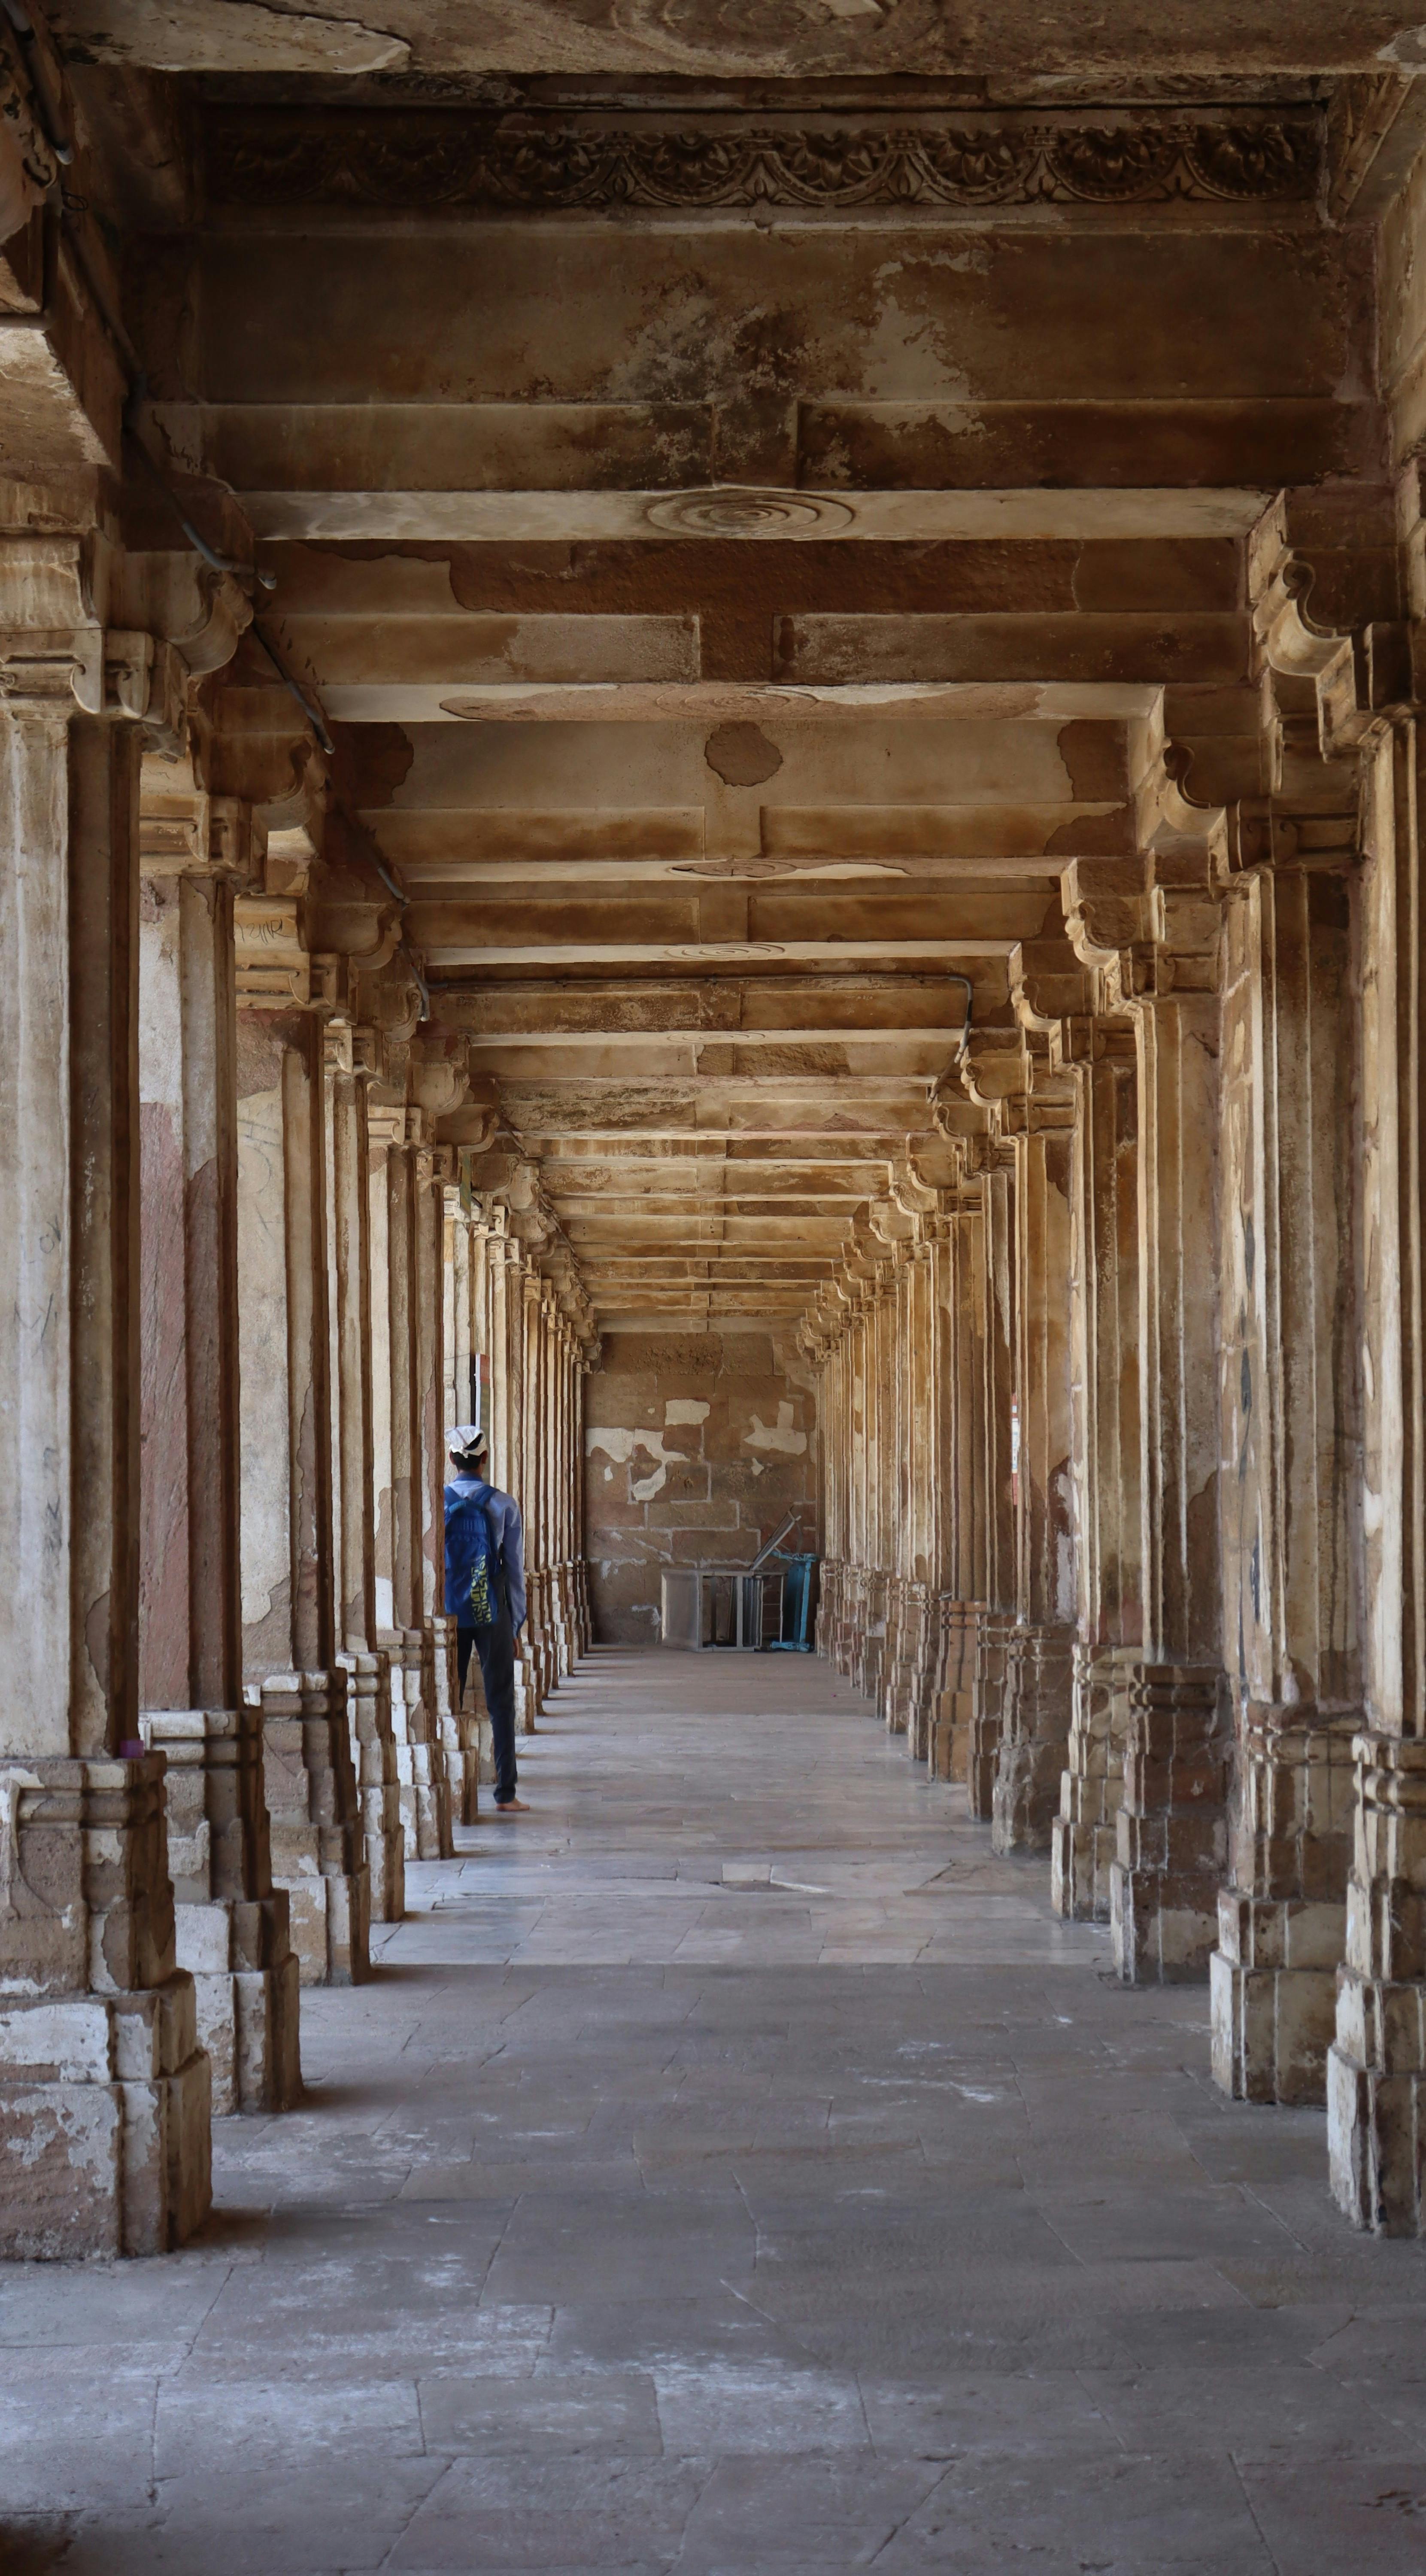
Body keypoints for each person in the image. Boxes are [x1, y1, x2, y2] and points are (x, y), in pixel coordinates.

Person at [444, 1424, 529, 1814]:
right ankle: (506, 1794)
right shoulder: (504, 1504)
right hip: (491, 1611)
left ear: (451, 1460)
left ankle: (445, 1791)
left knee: (450, 1700)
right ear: (485, 1460)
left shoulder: (437, 1502)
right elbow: (514, 1569)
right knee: (500, 1701)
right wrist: (516, 1624)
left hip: (451, 1614)